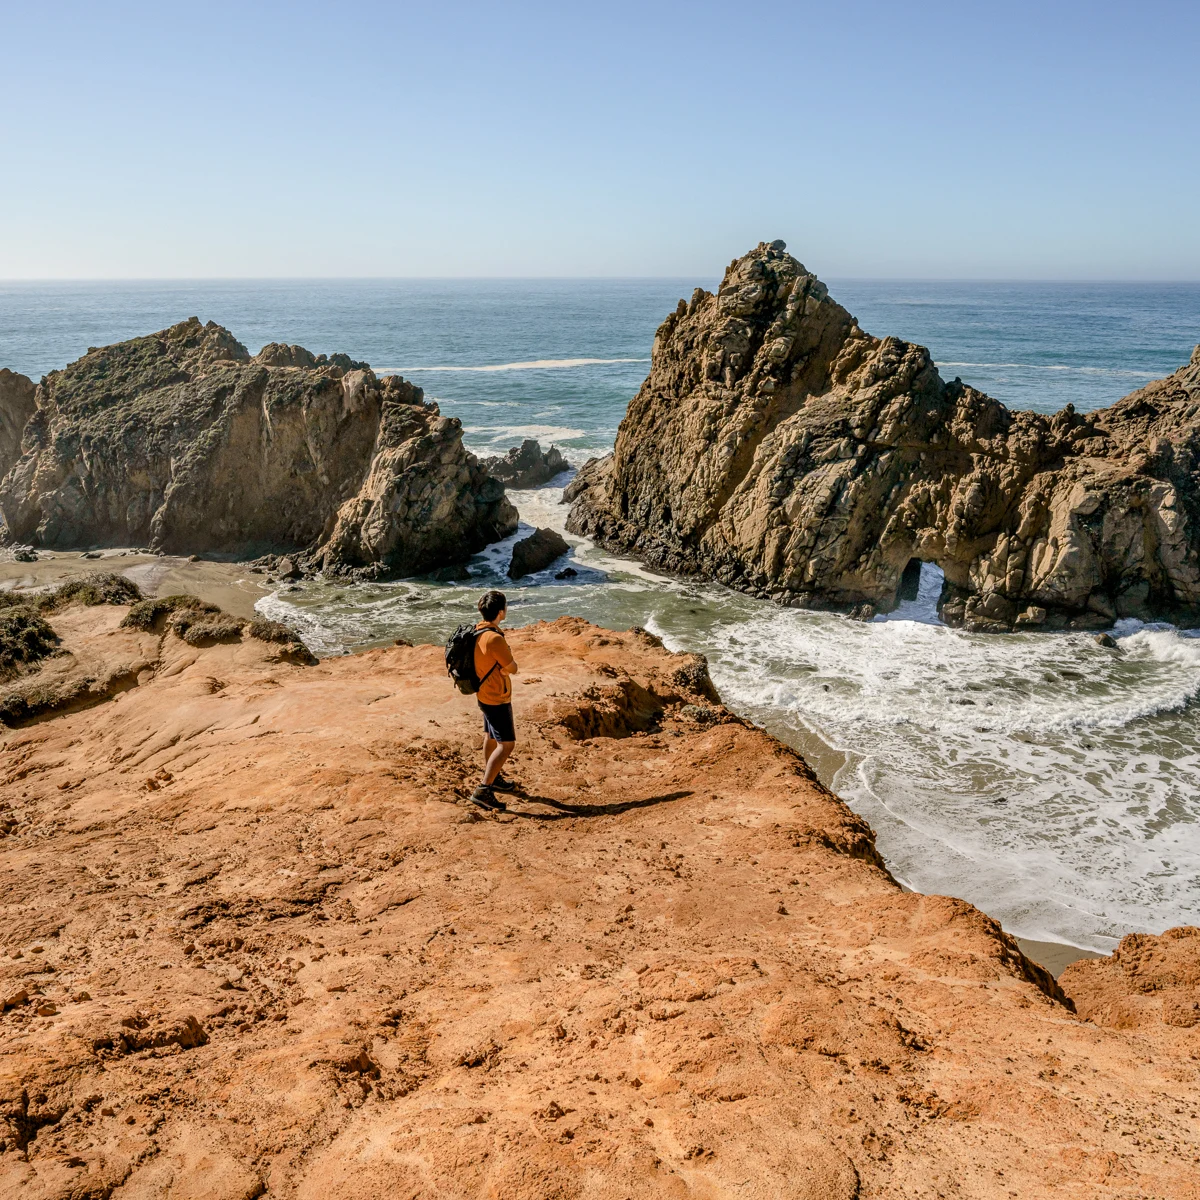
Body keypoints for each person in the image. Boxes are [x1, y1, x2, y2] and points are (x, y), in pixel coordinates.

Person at [471, 589, 518, 810]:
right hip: (497, 697)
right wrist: (507, 669)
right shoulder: (494, 638)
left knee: (490, 736)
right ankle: (484, 789)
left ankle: (494, 776)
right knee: (506, 744)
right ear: (501, 612)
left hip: (483, 693)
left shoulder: (477, 631)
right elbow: (512, 667)